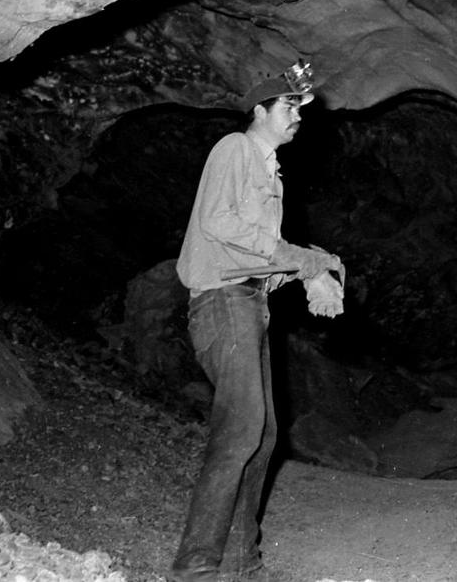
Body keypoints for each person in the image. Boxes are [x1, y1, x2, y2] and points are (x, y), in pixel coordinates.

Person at [169, 60, 344, 582]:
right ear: (260, 110)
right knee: (242, 427)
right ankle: (196, 564)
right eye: (289, 106)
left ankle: (242, 561)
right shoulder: (236, 149)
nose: (297, 116)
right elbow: (219, 223)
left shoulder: (271, 173)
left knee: (263, 433)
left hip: (249, 303)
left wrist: (312, 271)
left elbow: (259, 256)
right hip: (222, 302)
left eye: (299, 107)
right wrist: (302, 261)